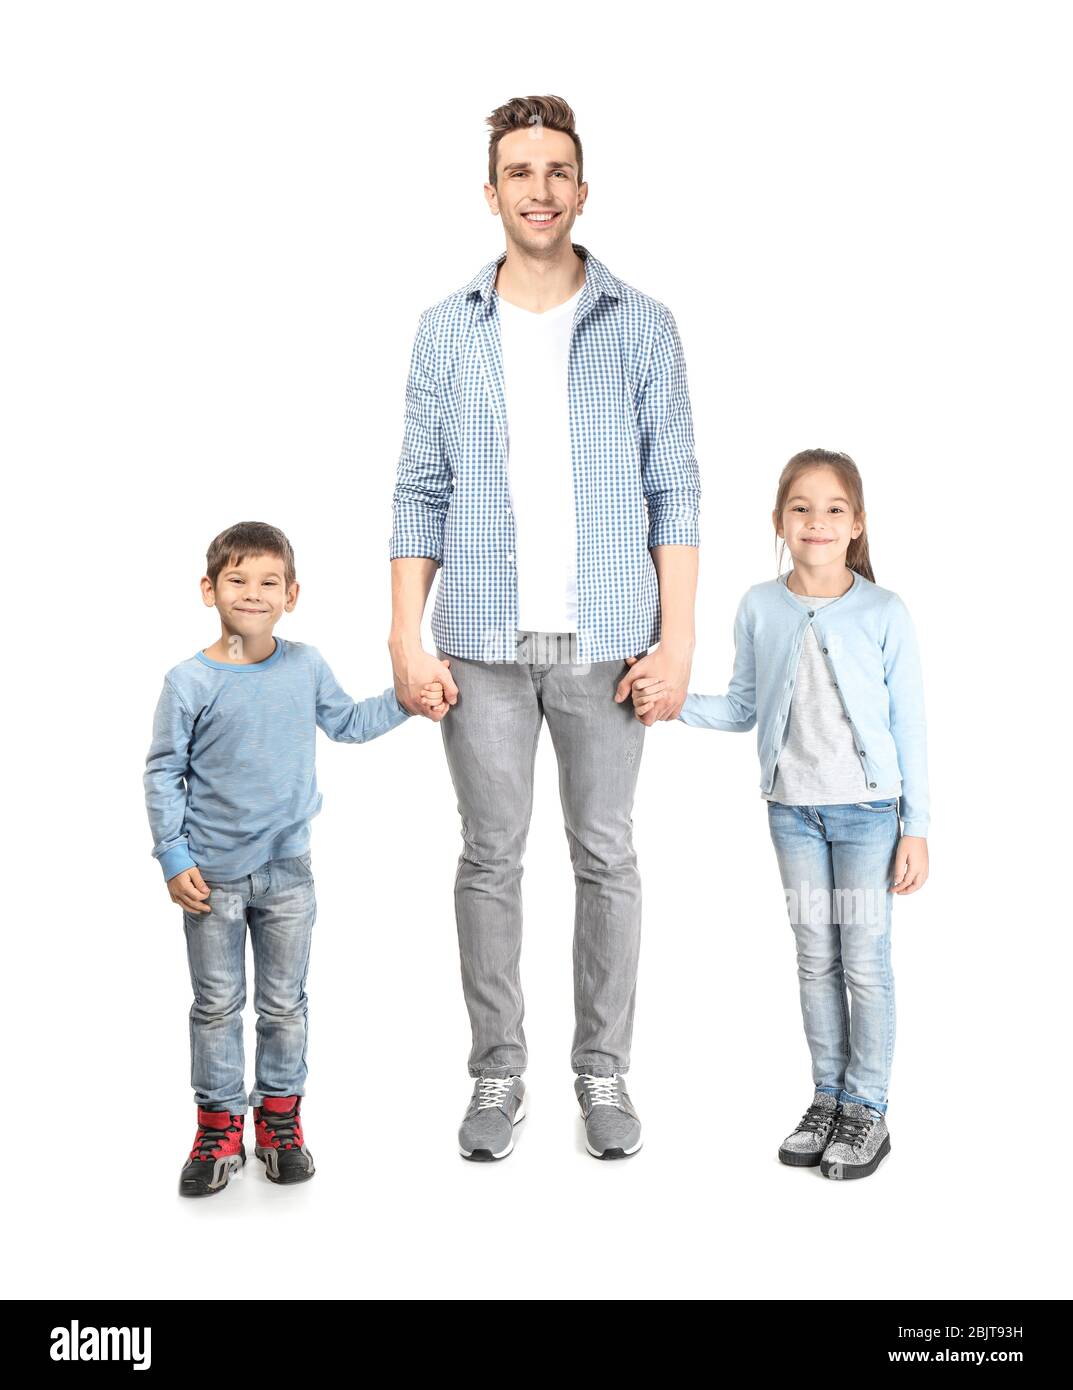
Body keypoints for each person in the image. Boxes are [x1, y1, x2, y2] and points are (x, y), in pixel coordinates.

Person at [393, 95, 701, 1161]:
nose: (537, 187)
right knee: (487, 857)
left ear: (580, 187)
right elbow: (417, 490)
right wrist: (403, 633)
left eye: (555, 169)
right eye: (518, 170)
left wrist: (677, 641)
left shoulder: (642, 324)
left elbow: (677, 489)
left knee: (605, 854)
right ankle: (496, 1076)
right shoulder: (445, 329)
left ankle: (602, 1072)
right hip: (476, 639)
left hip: (609, 640)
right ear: (491, 192)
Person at [631, 449, 929, 1179]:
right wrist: (669, 703)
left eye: (833, 510)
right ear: (778, 522)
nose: (816, 522)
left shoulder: (882, 611)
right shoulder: (759, 607)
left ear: (856, 525)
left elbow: (909, 723)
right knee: (814, 959)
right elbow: (741, 705)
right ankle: (826, 1097)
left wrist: (914, 825)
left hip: (864, 817)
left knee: (862, 961)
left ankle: (866, 1109)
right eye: (801, 508)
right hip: (792, 816)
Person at [144, 521, 413, 1196]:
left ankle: (280, 1122)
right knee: (215, 1005)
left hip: (289, 874)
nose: (253, 593)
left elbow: (348, 722)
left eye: (269, 582)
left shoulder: (305, 664)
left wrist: (409, 700)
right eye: (237, 579)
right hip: (212, 876)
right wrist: (173, 855)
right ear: (209, 589)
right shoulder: (188, 681)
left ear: (292, 594)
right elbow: (162, 771)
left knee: (284, 1006)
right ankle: (217, 1127)